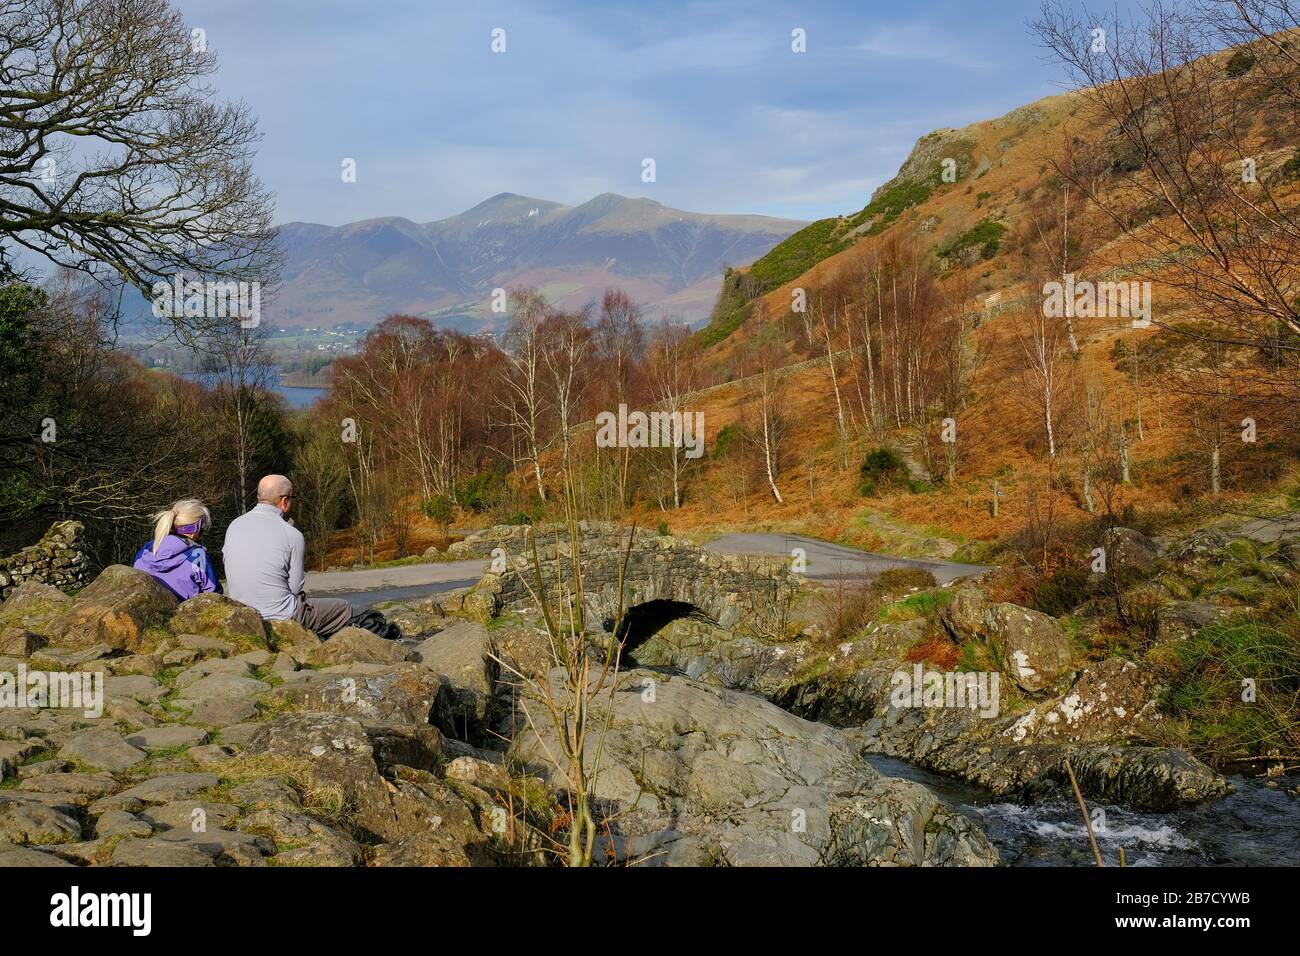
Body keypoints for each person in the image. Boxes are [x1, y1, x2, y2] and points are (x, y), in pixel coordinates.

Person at [222, 474, 356, 639]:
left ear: (259, 497)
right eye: (292, 498)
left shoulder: (234, 525)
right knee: (343, 608)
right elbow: (295, 587)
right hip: (280, 615)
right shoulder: (292, 534)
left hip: (243, 613)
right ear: (284, 501)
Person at [133, 499, 221, 600]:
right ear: (196, 529)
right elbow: (215, 594)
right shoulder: (197, 555)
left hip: (150, 613)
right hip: (187, 614)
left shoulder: (145, 550)